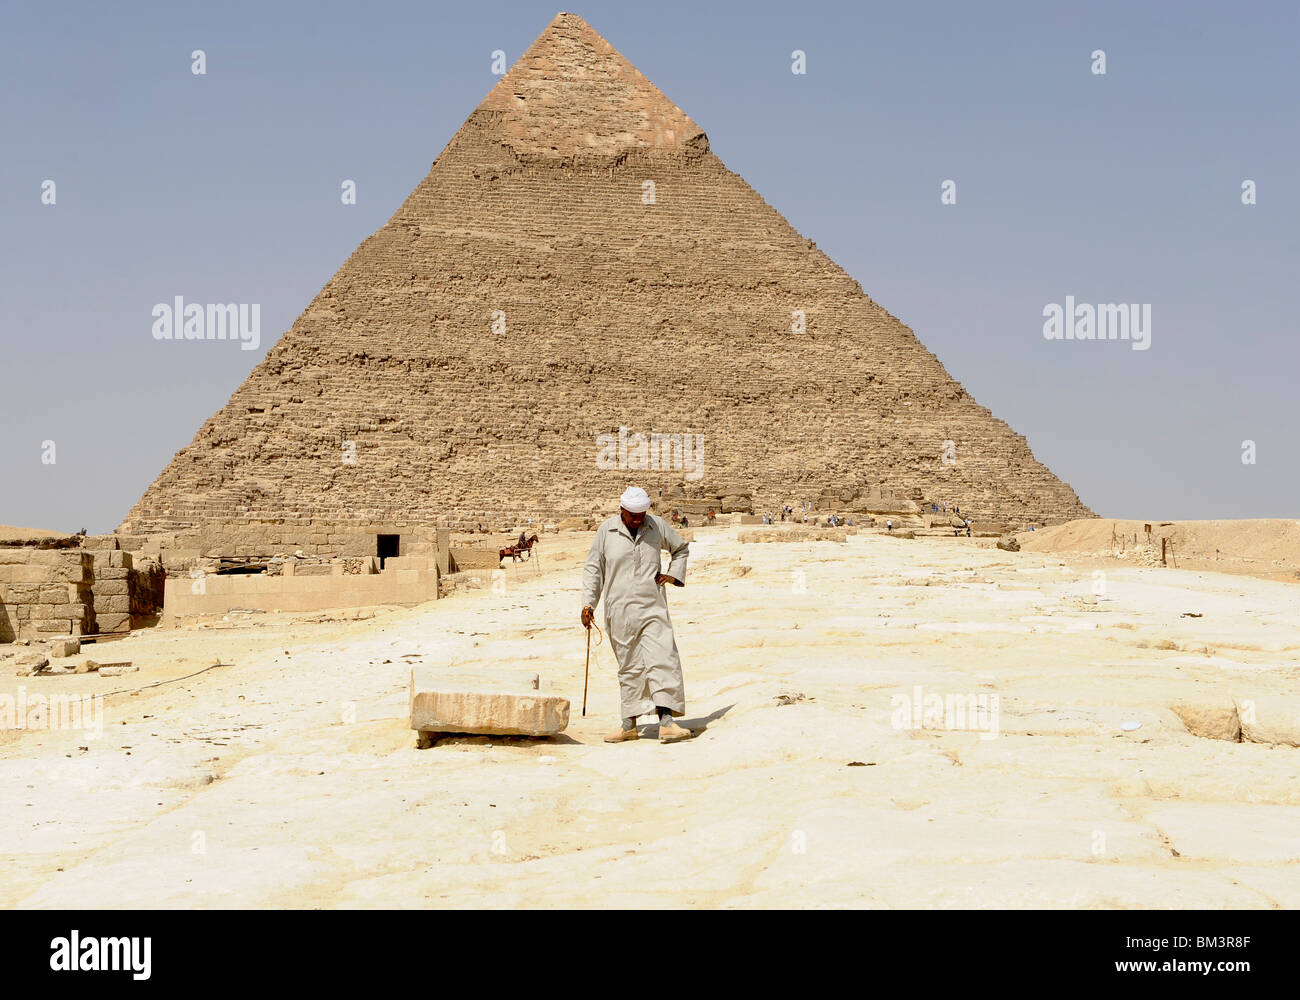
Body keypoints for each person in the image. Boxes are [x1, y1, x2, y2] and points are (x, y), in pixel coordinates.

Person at [581, 486, 693, 745]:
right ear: (621, 510)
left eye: (641, 514)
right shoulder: (606, 531)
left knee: (662, 658)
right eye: (632, 515)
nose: (637, 519)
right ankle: (628, 724)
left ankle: (666, 722)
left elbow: (681, 549)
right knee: (629, 666)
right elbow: (593, 569)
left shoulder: (657, 526)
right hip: (619, 609)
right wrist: (588, 604)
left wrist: (673, 575)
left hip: (653, 605)